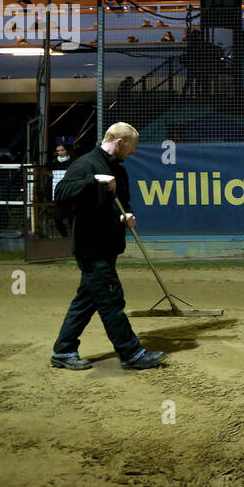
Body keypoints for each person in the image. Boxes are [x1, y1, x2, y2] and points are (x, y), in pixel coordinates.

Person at [51, 122, 166, 372]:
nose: (133, 153)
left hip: (108, 245)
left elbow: (121, 202)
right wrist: (93, 180)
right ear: (119, 143)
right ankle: (131, 353)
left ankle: (63, 350)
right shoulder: (85, 164)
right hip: (91, 248)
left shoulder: (119, 170)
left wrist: (126, 216)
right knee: (112, 299)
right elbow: (60, 193)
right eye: (132, 148)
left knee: (88, 300)